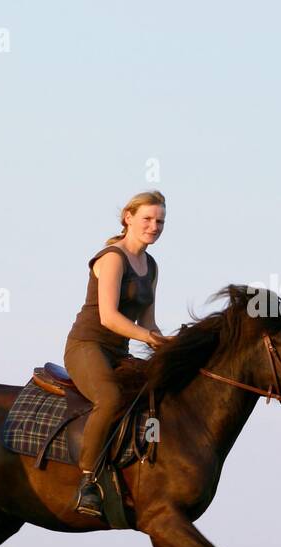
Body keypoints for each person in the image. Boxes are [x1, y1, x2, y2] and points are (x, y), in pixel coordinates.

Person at [63, 191, 173, 518]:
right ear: (128, 217)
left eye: (160, 222)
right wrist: (150, 337)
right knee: (109, 398)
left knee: (158, 395)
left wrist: (169, 344)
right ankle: (87, 481)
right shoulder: (112, 257)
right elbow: (109, 317)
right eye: (148, 219)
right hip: (87, 346)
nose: (154, 227)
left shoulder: (151, 266)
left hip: (118, 351)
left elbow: (148, 323)